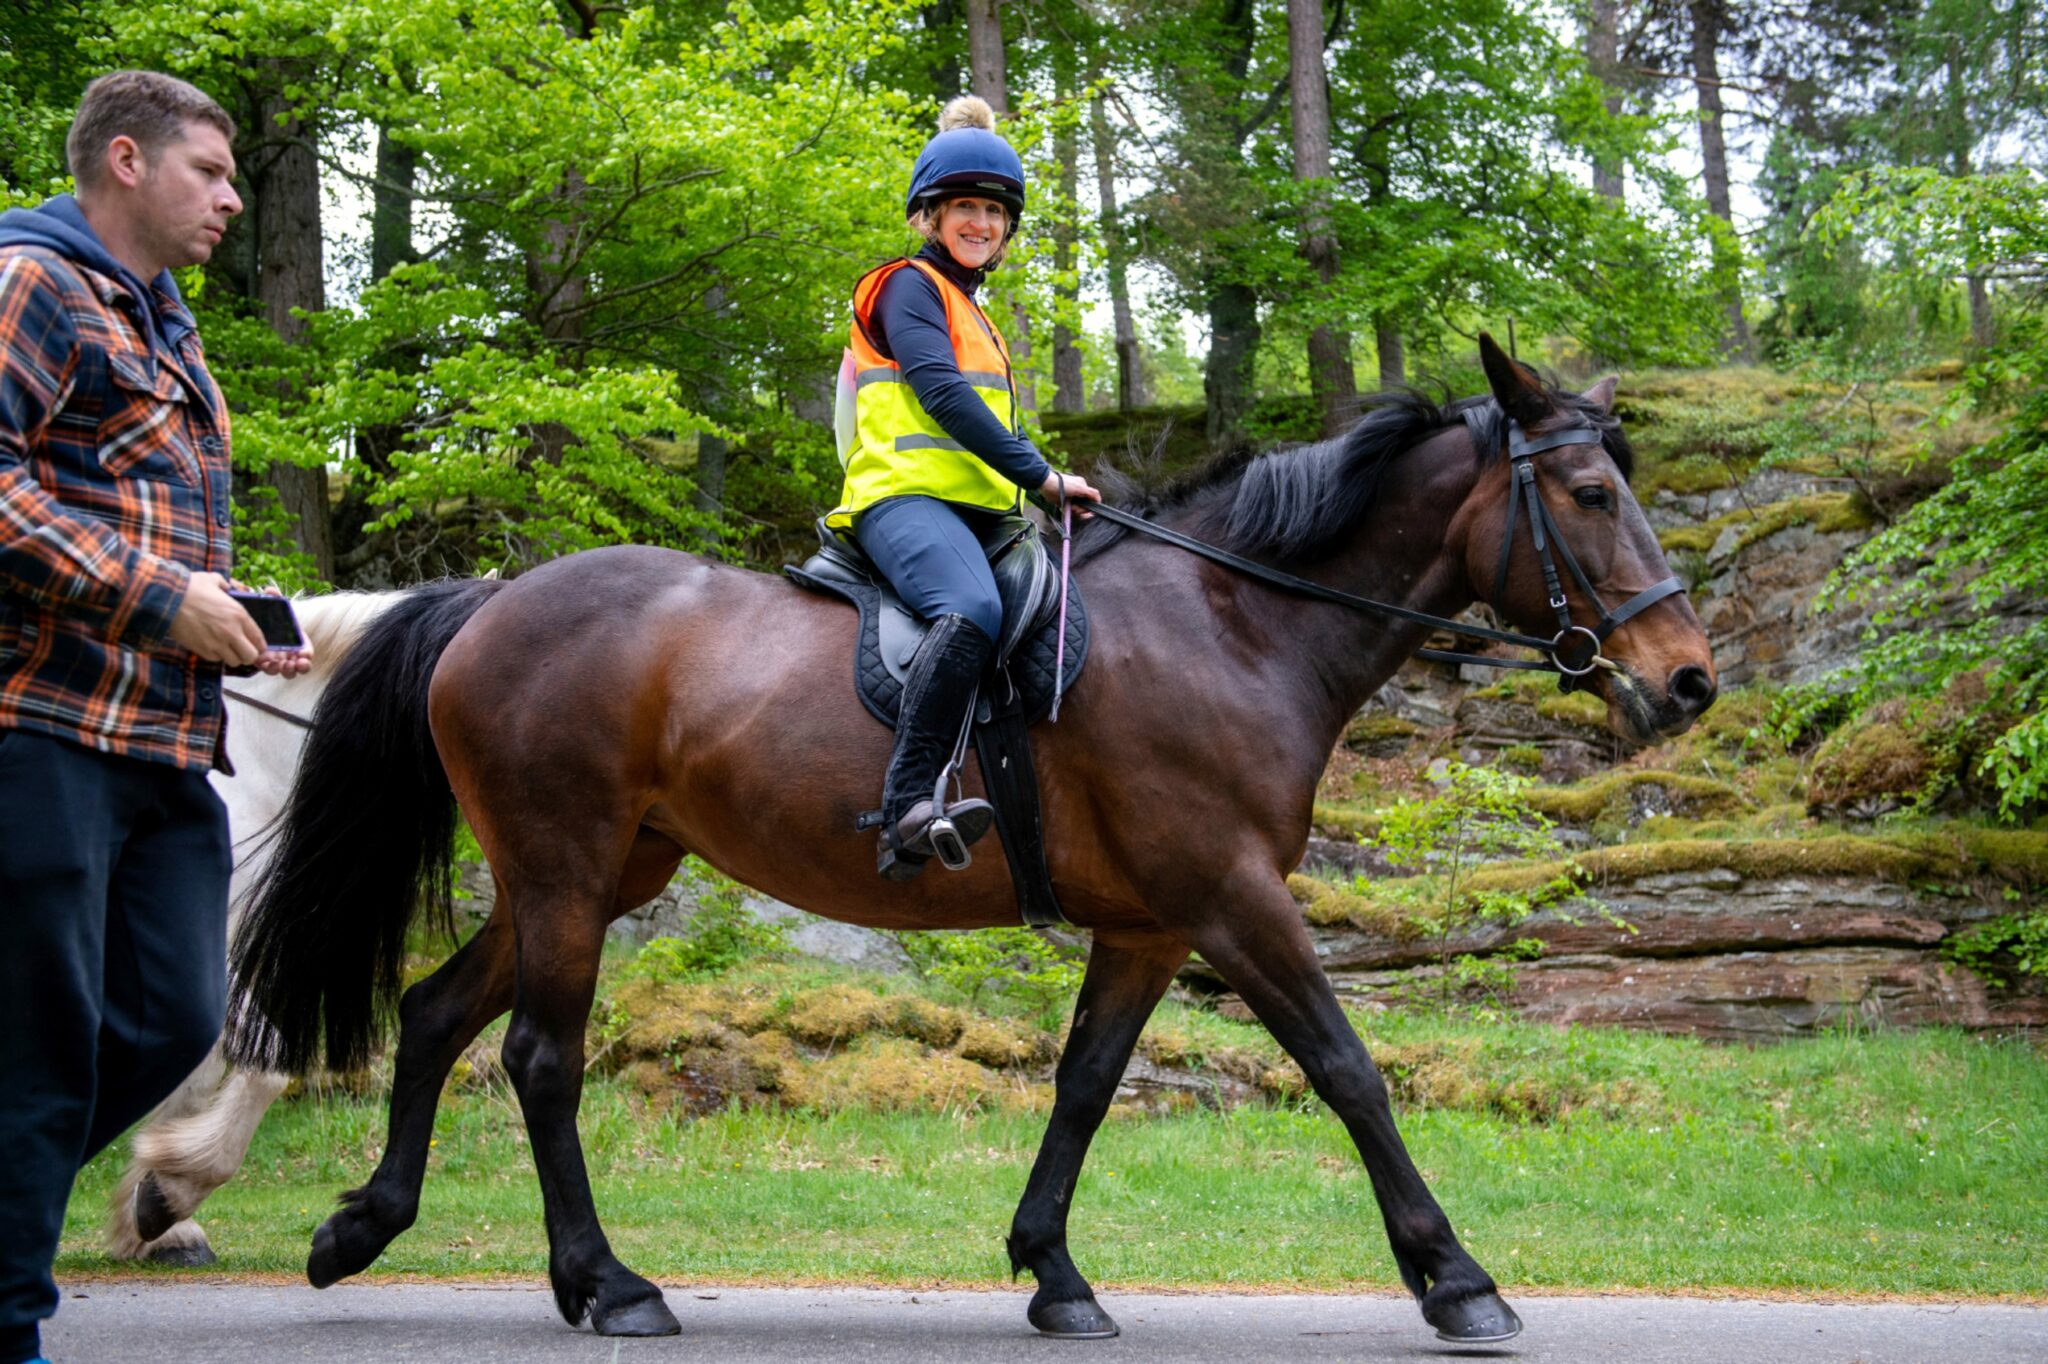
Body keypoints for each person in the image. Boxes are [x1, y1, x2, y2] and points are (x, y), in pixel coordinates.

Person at [0, 71, 313, 1364]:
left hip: (168, 740)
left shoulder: (166, 322)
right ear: (124, 161)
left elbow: (144, 525)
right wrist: (157, 596)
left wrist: (235, 611)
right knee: (42, 1043)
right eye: (213, 174)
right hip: (43, 730)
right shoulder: (32, 285)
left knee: (179, 1015)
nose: (235, 201)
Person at [831, 95, 1102, 882]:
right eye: (963, 209)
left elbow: (988, 426)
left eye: (992, 210)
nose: (980, 223)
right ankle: (908, 806)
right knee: (973, 608)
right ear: (929, 216)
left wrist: (1045, 483)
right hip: (902, 500)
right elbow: (943, 397)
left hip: (977, 512)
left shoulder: (975, 312)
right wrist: (1043, 476)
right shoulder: (905, 287)